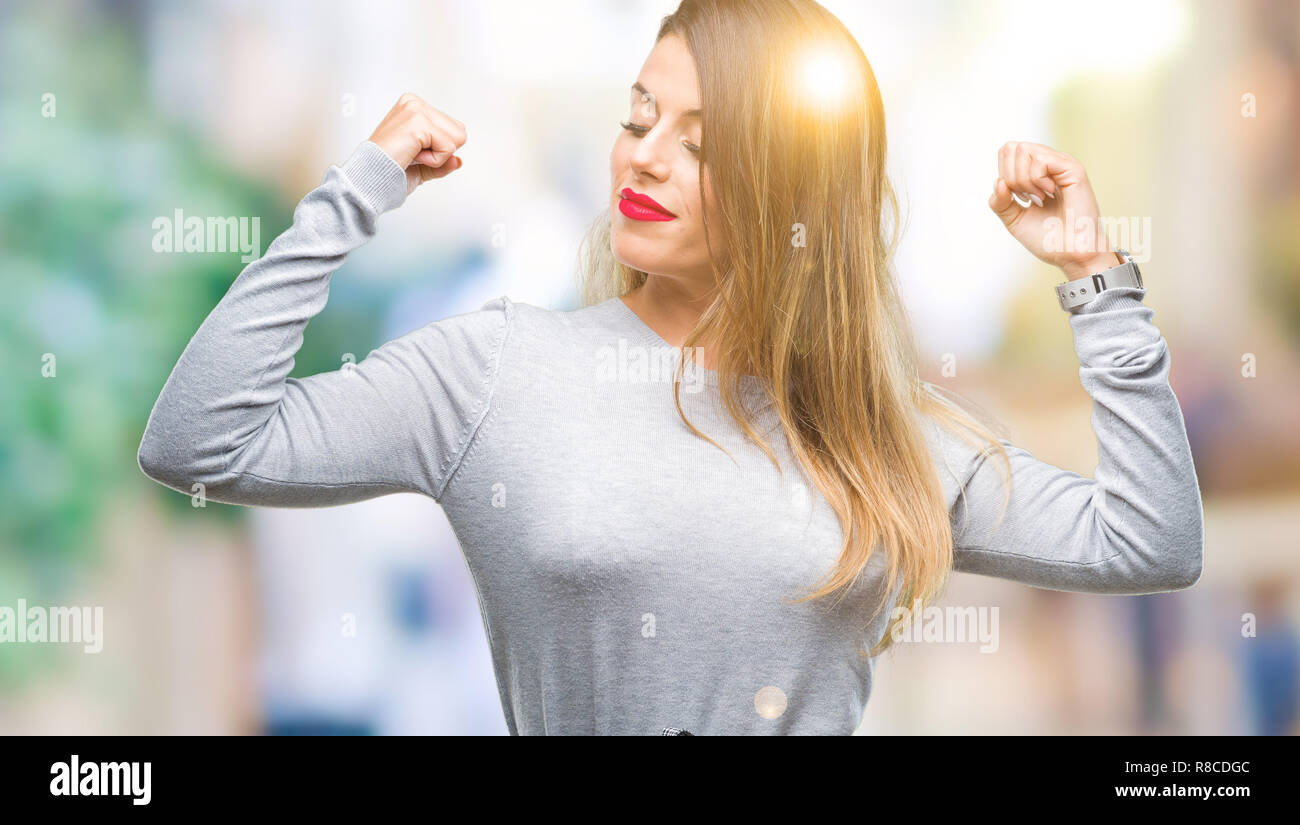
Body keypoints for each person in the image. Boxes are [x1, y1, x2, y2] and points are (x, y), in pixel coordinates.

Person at [137, 0, 1204, 735]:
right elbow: (199, 441)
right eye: (640, 117)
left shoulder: (878, 433)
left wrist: (1093, 278)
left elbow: (1149, 541)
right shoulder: (496, 370)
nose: (644, 155)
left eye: (701, 138)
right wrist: (351, 196)